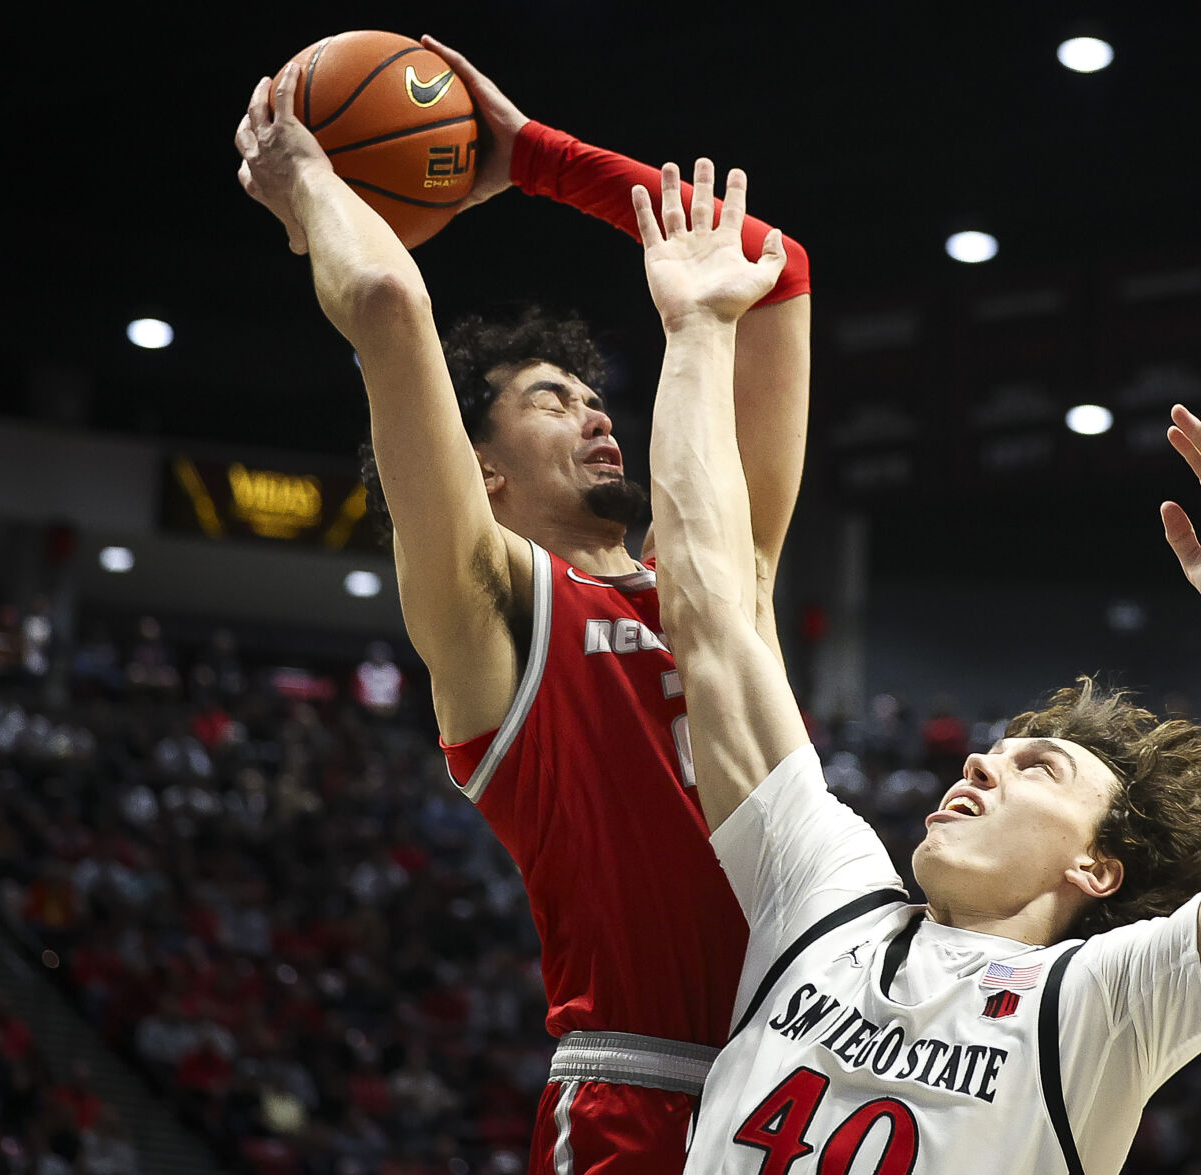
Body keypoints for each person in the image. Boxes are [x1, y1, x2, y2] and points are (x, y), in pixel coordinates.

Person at [631, 159, 1201, 1172]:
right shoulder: (824, 888)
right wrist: (694, 336)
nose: (978, 766)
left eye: (1038, 766)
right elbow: (710, 611)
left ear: (1097, 865)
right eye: (995, 753)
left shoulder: (1099, 1001)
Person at [233, 38, 811, 1175]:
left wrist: (539, 159)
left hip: (814, 1078)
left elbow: (773, 269)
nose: (599, 416)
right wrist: (311, 183)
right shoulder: (495, 605)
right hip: (647, 1094)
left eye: (597, 396)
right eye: (554, 400)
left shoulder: (722, 575)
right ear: (480, 468)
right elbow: (392, 299)